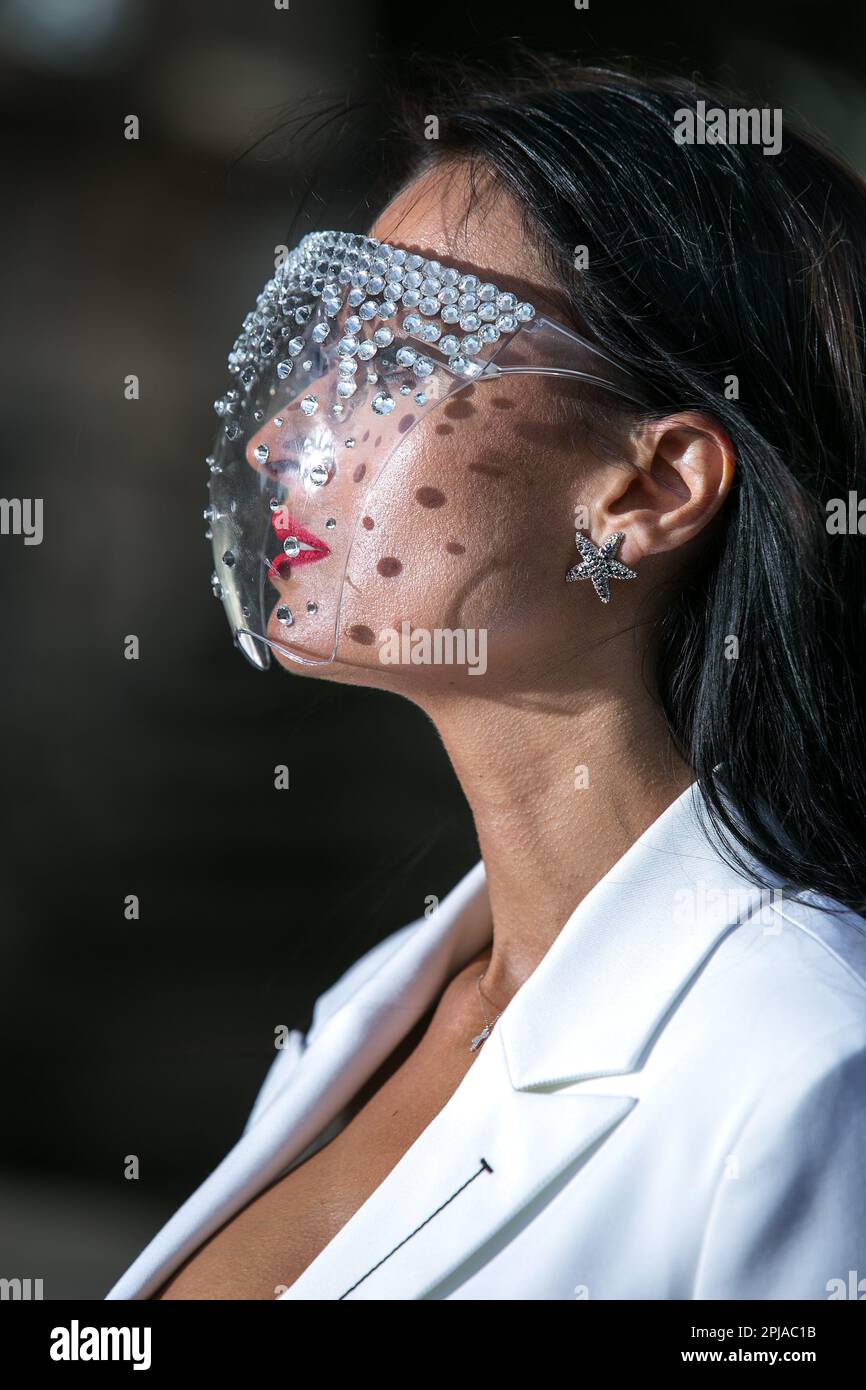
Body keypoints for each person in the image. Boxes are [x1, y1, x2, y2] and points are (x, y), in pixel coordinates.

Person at [106, 56, 866, 1301]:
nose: (280, 437)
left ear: (651, 487)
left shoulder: (804, 1066)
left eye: (396, 368)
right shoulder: (384, 1005)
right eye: (318, 356)